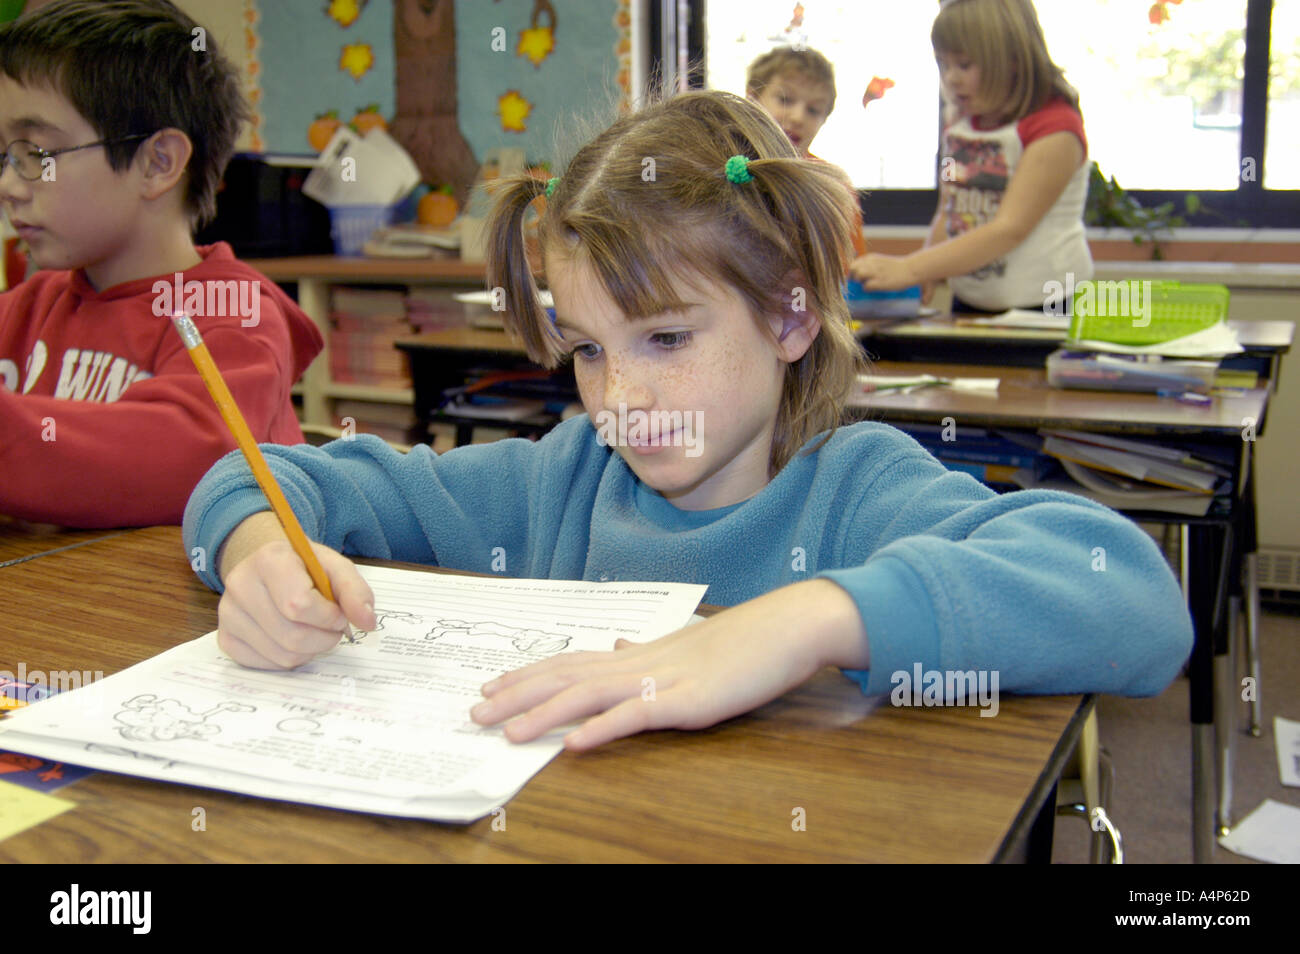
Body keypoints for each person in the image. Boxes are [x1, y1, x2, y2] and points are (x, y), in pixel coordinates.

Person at [183, 90, 1190, 752]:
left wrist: (799, 624)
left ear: (790, 315)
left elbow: (1133, 600)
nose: (619, 400)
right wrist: (257, 549)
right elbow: (268, 473)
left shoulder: (856, 492)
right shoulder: (557, 484)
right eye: (586, 348)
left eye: (665, 340)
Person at [0, 0, 322, 528]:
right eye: (5, 156)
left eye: (36, 154)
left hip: (182, 608)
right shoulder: (25, 308)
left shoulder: (232, 313)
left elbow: (190, 461)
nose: (9, 186)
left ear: (158, 163)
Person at [850, 0, 1093, 312]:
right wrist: (927, 266)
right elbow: (950, 204)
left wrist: (911, 267)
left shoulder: (1055, 128)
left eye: (964, 65)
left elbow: (1010, 228)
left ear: (1014, 60)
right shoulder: (959, 122)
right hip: (972, 299)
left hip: (1045, 304)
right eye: (943, 64)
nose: (951, 77)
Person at [746, 46, 867, 256]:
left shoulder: (834, 188)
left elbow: (846, 271)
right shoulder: (721, 168)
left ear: (824, 120)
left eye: (813, 110)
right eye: (785, 100)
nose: (797, 117)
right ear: (752, 99)